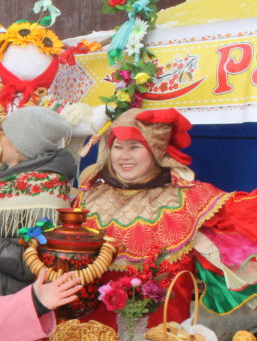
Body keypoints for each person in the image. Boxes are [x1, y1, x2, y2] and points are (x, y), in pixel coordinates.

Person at [75, 108, 257, 328]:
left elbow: (247, 218)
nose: (124, 156)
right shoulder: (87, 198)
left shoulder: (190, 199)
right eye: (118, 147)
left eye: (135, 147)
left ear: (156, 150)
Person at [0, 106, 77, 303]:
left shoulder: (45, 193)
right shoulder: (3, 179)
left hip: (3, 308)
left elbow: (38, 264)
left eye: (4, 134)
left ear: (20, 145)